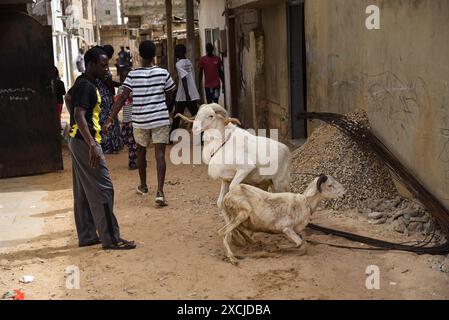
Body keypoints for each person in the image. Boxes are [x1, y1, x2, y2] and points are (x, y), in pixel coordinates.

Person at [66, 47, 135, 250]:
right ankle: (111, 238)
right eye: (103, 65)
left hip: (77, 140)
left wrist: (76, 126)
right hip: (85, 144)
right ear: (91, 64)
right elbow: (79, 113)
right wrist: (92, 145)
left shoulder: (83, 82)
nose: (107, 69)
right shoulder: (87, 86)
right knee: (104, 189)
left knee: (83, 191)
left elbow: (69, 99)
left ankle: (87, 235)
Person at [103, 40, 176, 206]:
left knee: (141, 153)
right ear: (154, 55)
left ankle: (143, 186)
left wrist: (110, 118)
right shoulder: (163, 73)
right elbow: (171, 91)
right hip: (160, 118)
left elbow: (122, 97)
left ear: (139, 56)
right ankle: (160, 192)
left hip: (140, 119)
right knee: (159, 155)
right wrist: (165, 107)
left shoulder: (133, 75)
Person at [96, 45, 124, 155]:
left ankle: (106, 145)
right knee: (109, 119)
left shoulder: (99, 65)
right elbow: (109, 83)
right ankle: (110, 146)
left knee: (103, 119)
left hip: (101, 95)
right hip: (105, 97)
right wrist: (120, 85)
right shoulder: (104, 68)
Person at [170, 44, 200, 136]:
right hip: (191, 93)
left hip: (184, 95)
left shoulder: (178, 64)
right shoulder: (188, 62)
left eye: (175, 52)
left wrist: (187, 94)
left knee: (177, 116)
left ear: (178, 52)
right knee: (196, 116)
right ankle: (201, 136)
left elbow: (183, 79)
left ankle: (171, 137)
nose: (174, 54)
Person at [116, 69, 137, 170]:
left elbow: (129, 96)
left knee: (132, 142)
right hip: (125, 119)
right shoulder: (120, 89)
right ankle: (139, 157)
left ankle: (133, 163)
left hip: (133, 119)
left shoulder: (134, 89)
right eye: (122, 79)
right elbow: (119, 99)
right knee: (125, 138)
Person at [51, 66, 66, 133]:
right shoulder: (60, 82)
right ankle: (58, 127)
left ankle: (57, 127)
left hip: (53, 101)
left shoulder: (50, 83)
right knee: (58, 115)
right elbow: (64, 92)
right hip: (59, 101)